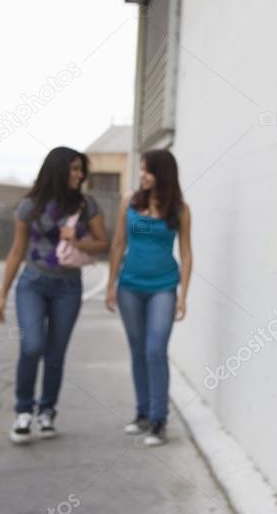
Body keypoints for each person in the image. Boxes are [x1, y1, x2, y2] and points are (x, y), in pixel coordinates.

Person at [0, 146, 109, 444]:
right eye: (73, 169)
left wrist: (79, 240)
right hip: (32, 283)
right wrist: (2, 295)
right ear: (58, 170)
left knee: (55, 354)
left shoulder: (86, 205)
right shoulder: (29, 206)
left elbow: (102, 244)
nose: (79, 174)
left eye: (81, 169)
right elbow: (17, 251)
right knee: (31, 346)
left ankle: (47, 412)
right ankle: (23, 411)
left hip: (68, 288)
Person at [105, 148, 192, 447]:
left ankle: (158, 420)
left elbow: (186, 252)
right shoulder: (129, 202)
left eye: (147, 170)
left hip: (163, 288)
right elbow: (118, 243)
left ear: (162, 174)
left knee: (156, 350)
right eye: (141, 169)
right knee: (138, 351)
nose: (141, 175)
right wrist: (110, 284)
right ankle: (142, 413)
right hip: (129, 286)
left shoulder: (179, 209)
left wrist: (183, 295)